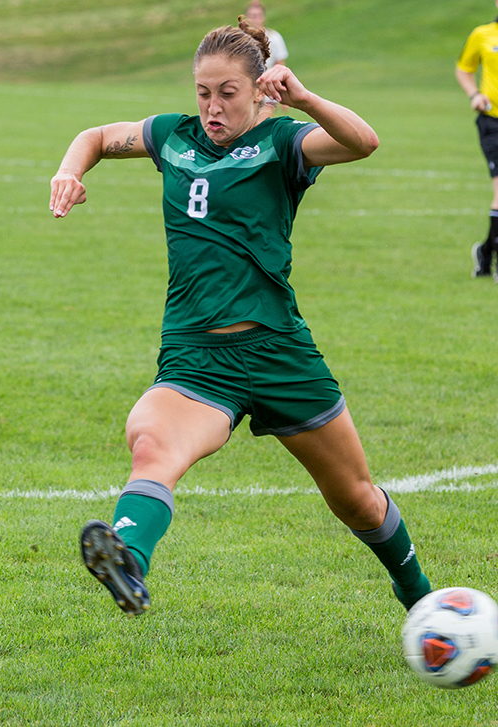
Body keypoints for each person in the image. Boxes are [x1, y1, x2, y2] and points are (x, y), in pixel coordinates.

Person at [49, 19, 432, 617]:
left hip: (279, 351)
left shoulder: (284, 143)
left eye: (227, 92)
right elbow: (96, 135)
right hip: (197, 358)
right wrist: (69, 171)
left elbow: (363, 142)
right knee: (150, 445)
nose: (211, 107)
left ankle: (421, 598)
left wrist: (304, 99)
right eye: (203, 92)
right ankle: (128, 556)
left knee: (356, 499)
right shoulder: (172, 138)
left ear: (259, 90)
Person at [457, 1, 498, 279]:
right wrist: (474, 94)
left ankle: (486, 253)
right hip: (492, 121)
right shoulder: (483, 34)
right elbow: (464, 69)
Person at [245, 1, 288, 70]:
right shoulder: (241, 38)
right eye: (252, 16)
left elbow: (280, 63)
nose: (255, 20)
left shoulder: (274, 37)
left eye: (258, 16)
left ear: (263, 17)